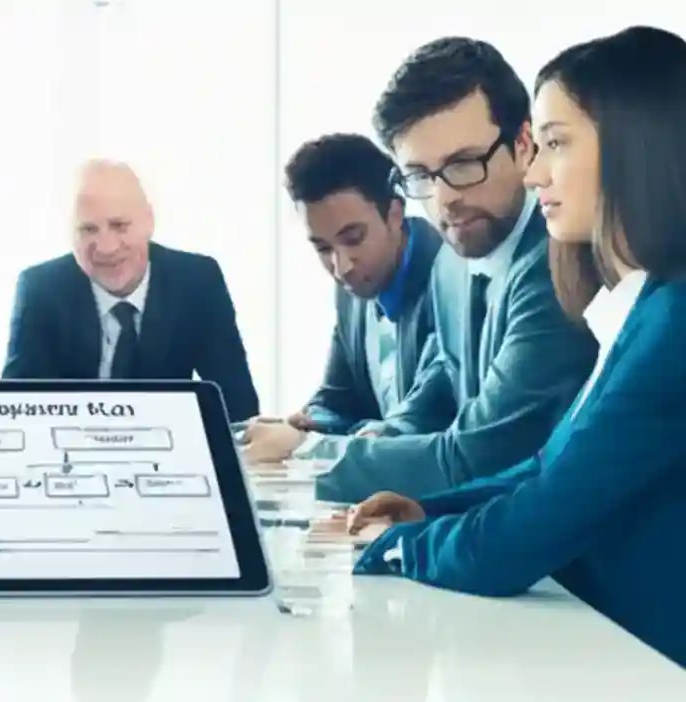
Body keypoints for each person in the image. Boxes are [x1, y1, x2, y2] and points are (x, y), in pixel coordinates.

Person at [349, 25, 686, 668]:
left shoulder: (676, 323)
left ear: (635, 145)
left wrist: (400, 545)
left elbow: (527, 531)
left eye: (555, 143)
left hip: (648, 672)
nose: (533, 172)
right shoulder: (649, 305)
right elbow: (549, 468)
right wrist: (427, 508)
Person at [244, 37, 597, 501]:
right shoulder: (450, 261)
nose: (443, 197)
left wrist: (307, 451)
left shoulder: (559, 266)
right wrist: (370, 440)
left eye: (464, 163)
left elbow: (475, 456)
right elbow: (438, 394)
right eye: (421, 175)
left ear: (524, 144)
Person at [2, 160, 259, 421]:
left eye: (119, 225)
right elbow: (17, 411)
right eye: (88, 229)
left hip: (168, 448)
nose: (106, 247)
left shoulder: (197, 282)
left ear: (149, 221)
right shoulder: (40, 289)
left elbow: (237, 407)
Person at [279, 133, 445, 435]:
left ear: (395, 214)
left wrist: (308, 445)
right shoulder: (352, 289)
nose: (341, 267)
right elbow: (337, 397)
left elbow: (424, 417)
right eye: (322, 248)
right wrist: (308, 424)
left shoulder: (448, 278)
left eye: (353, 239)